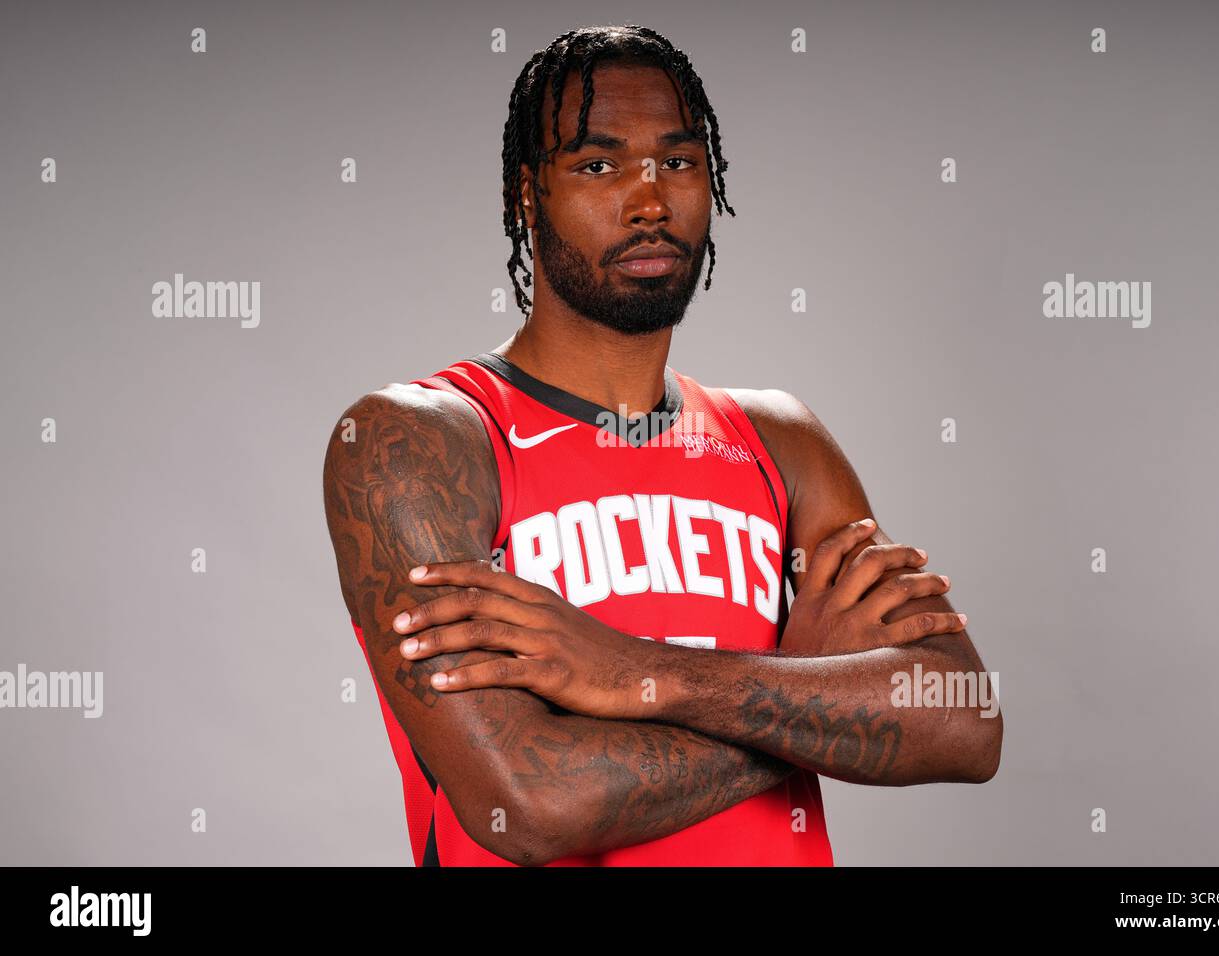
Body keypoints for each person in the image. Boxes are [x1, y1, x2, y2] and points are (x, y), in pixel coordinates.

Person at [322, 24, 1001, 867]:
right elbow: (532, 802)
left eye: (678, 162)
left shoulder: (780, 441)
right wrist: (803, 684)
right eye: (599, 165)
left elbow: (963, 722)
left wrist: (636, 670)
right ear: (525, 196)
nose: (650, 202)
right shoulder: (419, 440)